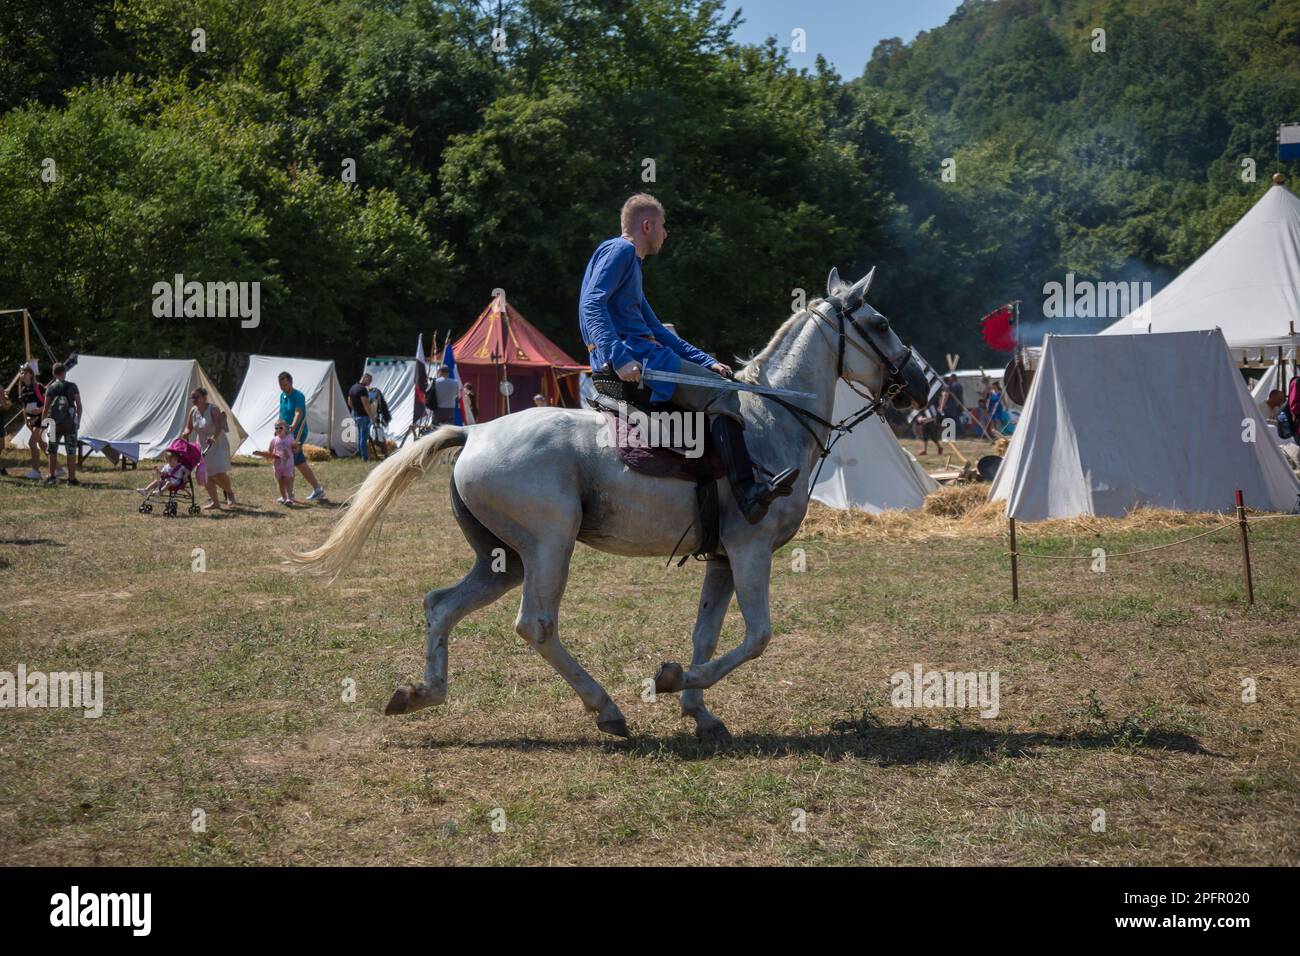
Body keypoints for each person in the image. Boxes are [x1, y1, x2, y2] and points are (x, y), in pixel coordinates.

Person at [578, 192, 797, 523]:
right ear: (647, 225)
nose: (666, 234)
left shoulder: (631, 266)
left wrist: (705, 361)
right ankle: (747, 494)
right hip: (638, 359)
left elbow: (658, 330)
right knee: (723, 393)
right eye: (664, 226)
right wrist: (619, 357)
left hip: (648, 354)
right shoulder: (621, 250)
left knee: (716, 381)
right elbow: (592, 303)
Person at [276, 372, 326, 500]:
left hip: (297, 435)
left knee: (289, 462)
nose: (282, 387)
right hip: (285, 434)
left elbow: (298, 413)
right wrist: (278, 428)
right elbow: (282, 414)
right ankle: (317, 489)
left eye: (285, 384)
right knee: (299, 463)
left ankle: (289, 496)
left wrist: (292, 426)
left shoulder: (298, 396)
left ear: (291, 383)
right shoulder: (282, 395)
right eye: (280, 385)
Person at [182, 387, 233, 510]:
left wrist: (213, 437)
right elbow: (188, 427)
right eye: (192, 397)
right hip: (202, 445)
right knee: (205, 474)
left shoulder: (213, 409)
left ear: (204, 398)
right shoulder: (193, 411)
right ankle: (215, 502)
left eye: (196, 397)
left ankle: (229, 492)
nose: (193, 399)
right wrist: (186, 433)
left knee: (220, 472)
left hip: (217, 442)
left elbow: (219, 426)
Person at [41, 362, 82, 486]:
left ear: (54, 374)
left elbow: (46, 407)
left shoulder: (51, 388)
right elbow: (79, 406)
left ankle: (52, 476)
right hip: (70, 424)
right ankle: (71, 479)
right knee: (71, 450)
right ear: (65, 372)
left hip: (53, 425)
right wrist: (77, 421)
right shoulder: (72, 386)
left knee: (52, 450)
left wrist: (43, 425)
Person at [13, 364, 47, 479]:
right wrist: (27, 420)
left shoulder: (39, 387)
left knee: (32, 443)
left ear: (31, 374)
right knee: (42, 445)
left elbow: (49, 402)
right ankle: (58, 468)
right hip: (32, 420)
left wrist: (40, 410)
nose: (21, 375)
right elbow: (24, 408)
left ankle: (36, 472)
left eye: (24, 372)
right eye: (21, 372)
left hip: (42, 418)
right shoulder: (23, 390)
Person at [254, 420, 298, 505]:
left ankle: (289, 498)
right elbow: (270, 453)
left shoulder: (290, 438)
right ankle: (284, 498)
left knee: (288, 480)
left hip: (288, 464)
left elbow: (295, 449)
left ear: (286, 428)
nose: (278, 429)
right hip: (278, 465)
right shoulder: (274, 440)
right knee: (280, 481)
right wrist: (263, 454)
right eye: (276, 428)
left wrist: (296, 448)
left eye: (280, 427)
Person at [348, 373, 374, 460]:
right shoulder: (362, 389)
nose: (370, 383)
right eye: (369, 380)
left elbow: (349, 402)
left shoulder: (353, 387)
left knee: (360, 436)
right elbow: (366, 404)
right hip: (363, 416)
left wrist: (355, 410)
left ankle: (360, 454)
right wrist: (372, 416)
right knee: (364, 436)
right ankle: (364, 457)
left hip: (355, 415)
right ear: (365, 378)